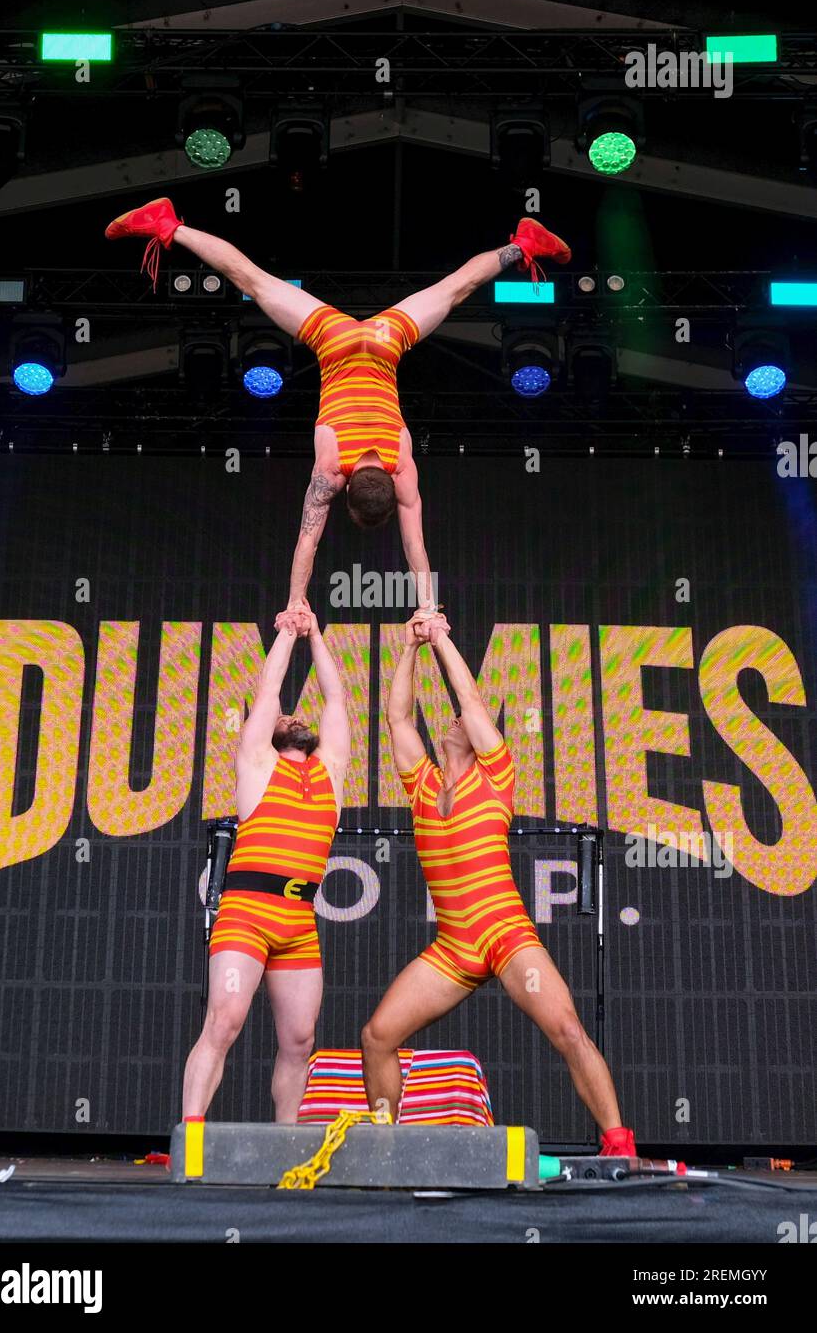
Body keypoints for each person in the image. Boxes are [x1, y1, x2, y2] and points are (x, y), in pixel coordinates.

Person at [105, 198, 570, 617]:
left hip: (383, 341)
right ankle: (167, 225)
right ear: (347, 490)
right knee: (254, 282)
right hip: (335, 343)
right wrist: (294, 603)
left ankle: (521, 245)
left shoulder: (402, 463)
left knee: (454, 288)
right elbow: (310, 538)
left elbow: (415, 544)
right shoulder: (331, 469)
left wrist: (429, 605)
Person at [362, 609, 636, 1156]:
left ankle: (619, 1143)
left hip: (506, 936)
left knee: (568, 1032)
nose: (459, 721)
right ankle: (383, 1141)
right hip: (454, 948)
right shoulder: (422, 785)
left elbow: (471, 704)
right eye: (458, 723)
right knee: (377, 1038)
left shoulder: (497, 779)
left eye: (466, 721)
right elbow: (396, 719)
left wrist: (442, 636)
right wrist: (411, 647)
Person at [181, 601, 348, 1123]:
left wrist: (315, 634)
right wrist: (286, 633)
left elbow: (336, 696)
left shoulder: (330, 773)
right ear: (271, 732)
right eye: (284, 716)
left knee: (300, 1041)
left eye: (297, 715)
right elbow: (269, 691)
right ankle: (192, 1139)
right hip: (247, 914)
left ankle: (286, 1146)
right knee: (224, 1022)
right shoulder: (257, 764)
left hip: (299, 923)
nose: (292, 713)